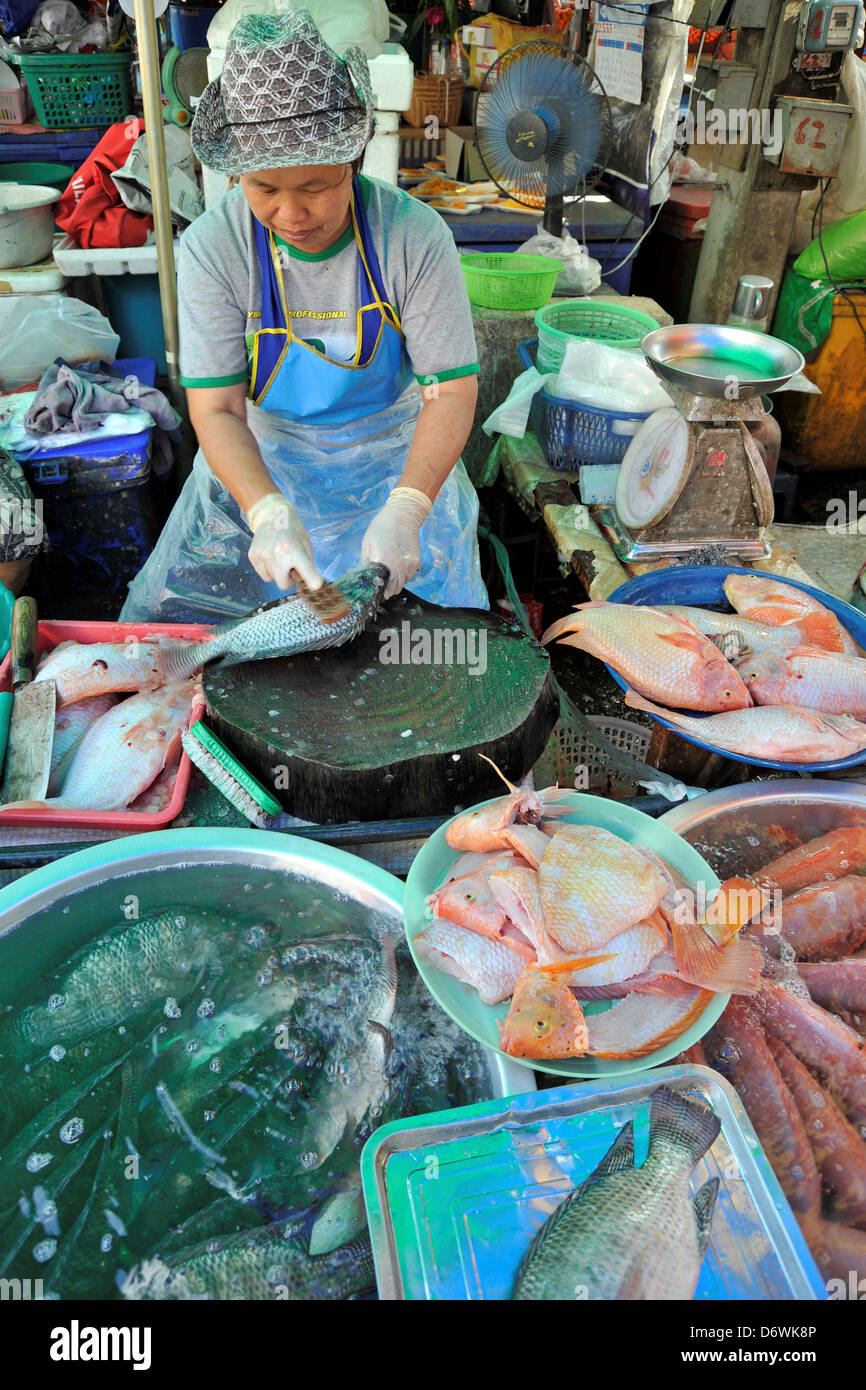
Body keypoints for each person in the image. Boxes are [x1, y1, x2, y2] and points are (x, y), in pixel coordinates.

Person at [121, 9, 488, 622]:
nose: (291, 213)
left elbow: (449, 392)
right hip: (262, 462)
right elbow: (216, 408)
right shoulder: (215, 247)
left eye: (315, 186)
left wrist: (408, 509)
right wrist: (265, 512)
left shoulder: (414, 236)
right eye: (264, 188)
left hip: (397, 459)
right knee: (200, 638)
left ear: (354, 160)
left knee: (428, 642)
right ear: (236, 173)